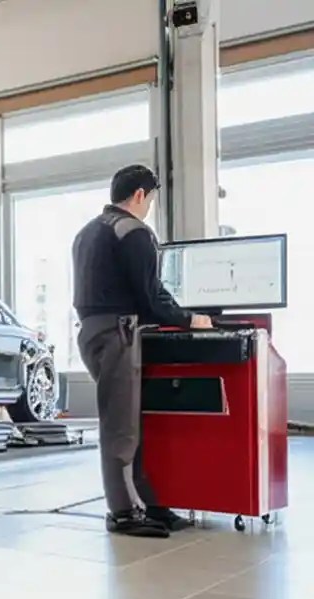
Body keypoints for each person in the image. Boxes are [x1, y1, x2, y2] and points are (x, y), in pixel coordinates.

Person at [72, 164, 212, 538]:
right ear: (139, 195)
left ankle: (147, 501)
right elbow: (150, 297)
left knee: (130, 422)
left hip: (91, 331)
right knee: (121, 427)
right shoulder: (134, 231)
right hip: (118, 333)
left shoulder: (88, 231)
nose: (149, 205)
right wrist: (190, 320)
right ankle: (123, 512)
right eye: (150, 198)